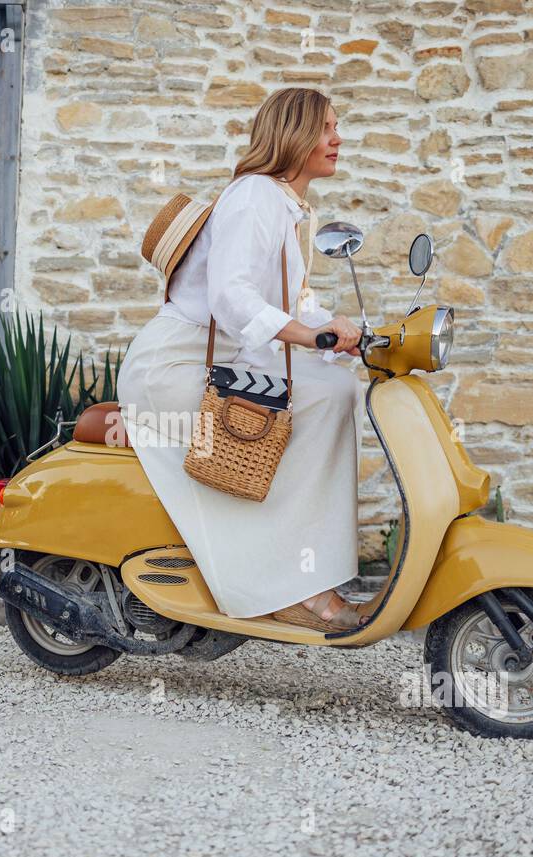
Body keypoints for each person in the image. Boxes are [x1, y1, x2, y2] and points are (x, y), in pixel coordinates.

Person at [118, 88, 368, 631]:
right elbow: (230, 299)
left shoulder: (286, 206)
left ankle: (300, 576)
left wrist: (354, 332)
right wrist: (308, 335)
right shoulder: (254, 195)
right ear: (295, 135)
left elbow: (295, 304)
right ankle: (287, 586)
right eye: (326, 128)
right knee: (326, 398)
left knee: (336, 390)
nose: (337, 139)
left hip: (221, 358)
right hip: (174, 368)